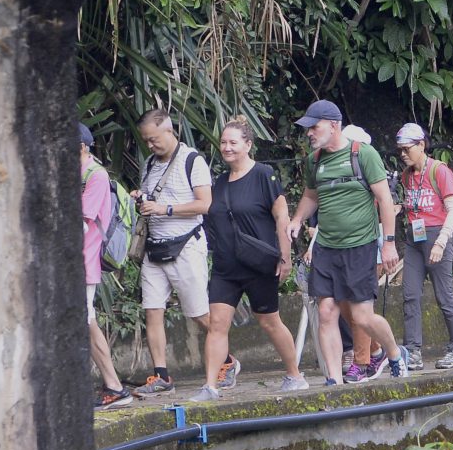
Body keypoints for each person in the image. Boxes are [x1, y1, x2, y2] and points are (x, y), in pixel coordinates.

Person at [287, 100, 404, 383]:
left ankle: (394, 353)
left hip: (360, 245)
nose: (310, 133)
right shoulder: (314, 160)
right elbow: (311, 196)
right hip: (327, 247)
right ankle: (334, 382)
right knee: (326, 311)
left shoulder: (363, 154)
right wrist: (296, 220)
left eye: (314, 127)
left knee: (362, 317)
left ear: (333, 125)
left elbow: (385, 200)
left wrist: (388, 243)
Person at [205, 117, 308, 392]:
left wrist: (284, 257)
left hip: (258, 264)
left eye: (233, 143)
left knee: (269, 320)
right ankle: (210, 387)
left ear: (248, 145)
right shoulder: (220, 181)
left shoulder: (264, 174)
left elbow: (281, 216)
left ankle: (295, 375)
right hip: (225, 266)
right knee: (217, 324)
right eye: (224, 142)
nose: (226, 148)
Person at [135, 109, 216, 397]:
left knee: (199, 314)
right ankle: (162, 375)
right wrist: (141, 198)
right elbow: (153, 196)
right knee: (152, 311)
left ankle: (227, 361)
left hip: (186, 245)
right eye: (146, 141)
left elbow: (205, 204)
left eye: (154, 139)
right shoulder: (148, 163)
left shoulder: (192, 160)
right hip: (155, 248)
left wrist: (164, 209)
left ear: (169, 131)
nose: (150, 145)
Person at [393, 122, 453, 368]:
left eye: (407, 149)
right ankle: (412, 351)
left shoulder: (439, 171)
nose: (403, 154)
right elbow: (410, 205)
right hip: (414, 239)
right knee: (410, 295)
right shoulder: (406, 176)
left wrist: (441, 242)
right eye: (400, 150)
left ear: (422, 145)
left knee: (444, 295)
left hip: (437, 236)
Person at [80, 124, 127, 409]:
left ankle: (115, 386)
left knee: (86, 321)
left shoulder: (95, 176)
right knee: (86, 322)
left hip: (82, 263)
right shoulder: (78, 173)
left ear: (82, 147)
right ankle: (113, 386)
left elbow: (82, 222)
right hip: (74, 264)